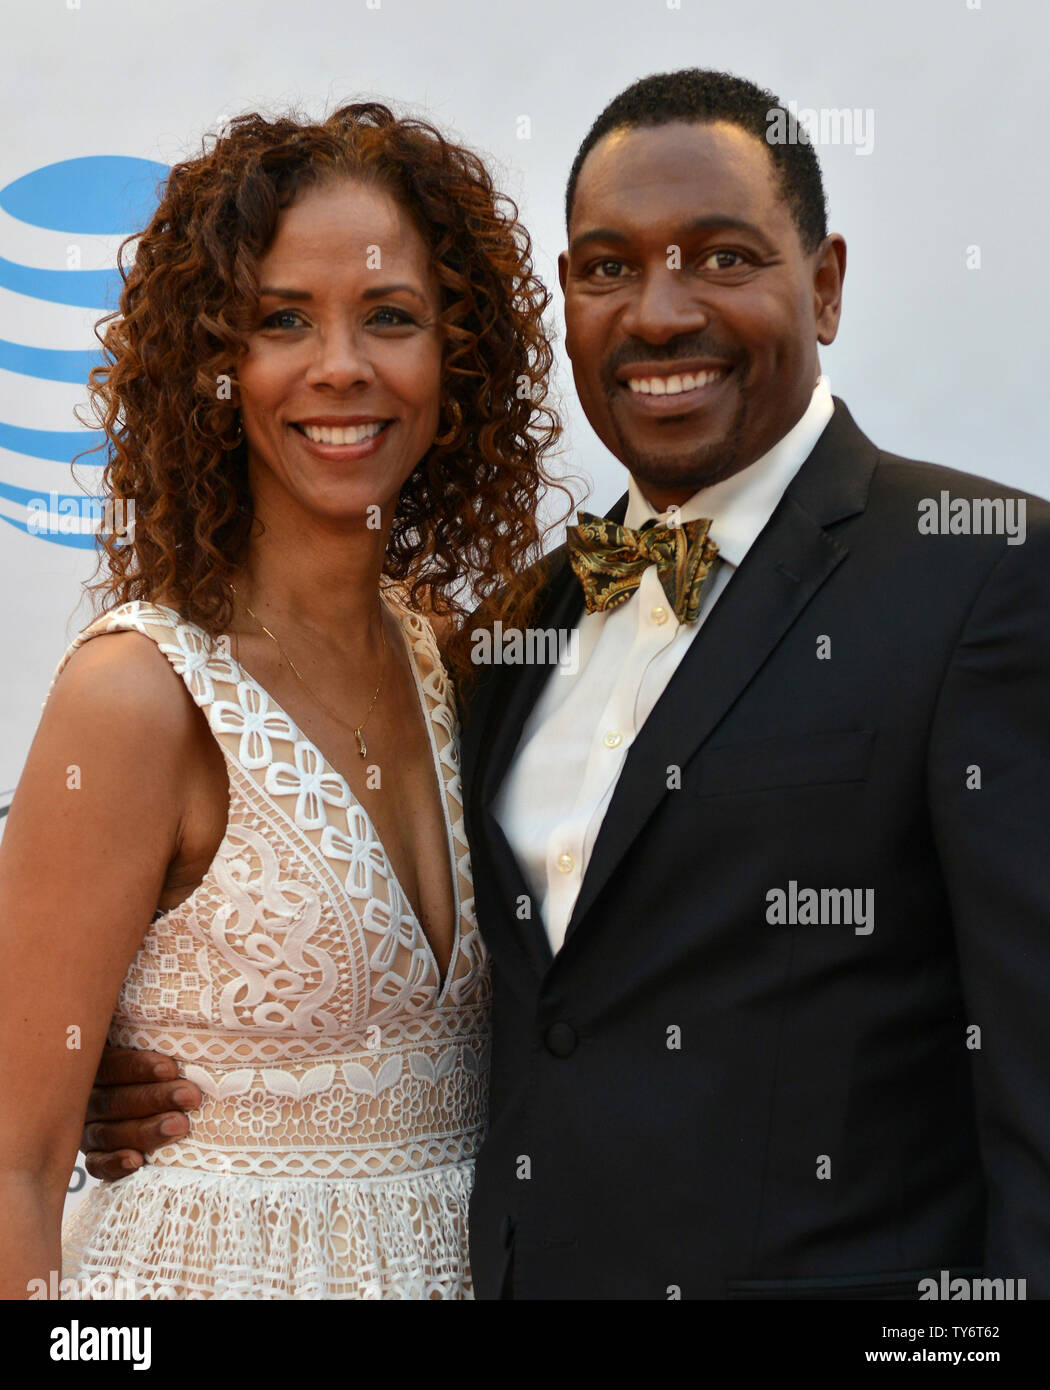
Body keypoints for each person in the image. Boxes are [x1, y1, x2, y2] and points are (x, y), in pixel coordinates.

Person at [78, 68, 1050, 1301]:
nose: (657, 312)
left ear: (826, 283)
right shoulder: (514, 626)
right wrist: (154, 1068)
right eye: (606, 266)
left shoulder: (986, 575)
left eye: (723, 258)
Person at [0, 100, 562, 1299]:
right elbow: (14, 1162)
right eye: (280, 322)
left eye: (391, 318)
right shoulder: (140, 695)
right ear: (214, 364)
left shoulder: (453, 661)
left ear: (456, 358)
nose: (342, 365)